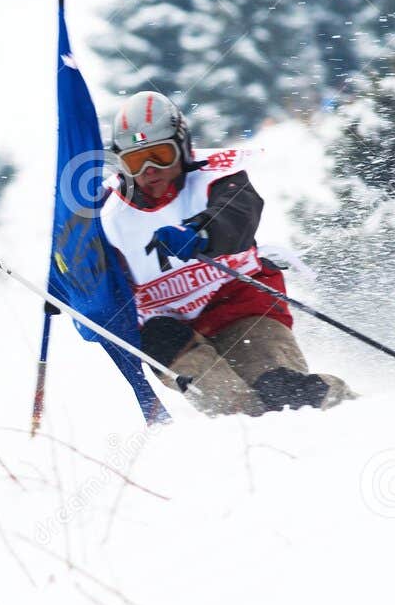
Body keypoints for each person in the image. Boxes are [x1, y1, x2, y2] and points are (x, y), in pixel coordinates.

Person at [98, 91, 351, 417]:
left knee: (282, 394)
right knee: (238, 408)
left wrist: (202, 233)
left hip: (240, 307)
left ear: (182, 148)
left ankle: (349, 408)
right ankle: (249, 432)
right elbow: (86, 268)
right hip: (171, 333)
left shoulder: (214, 176)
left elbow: (239, 212)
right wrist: (67, 281)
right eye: (135, 161)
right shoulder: (108, 214)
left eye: (160, 155)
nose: (149, 170)